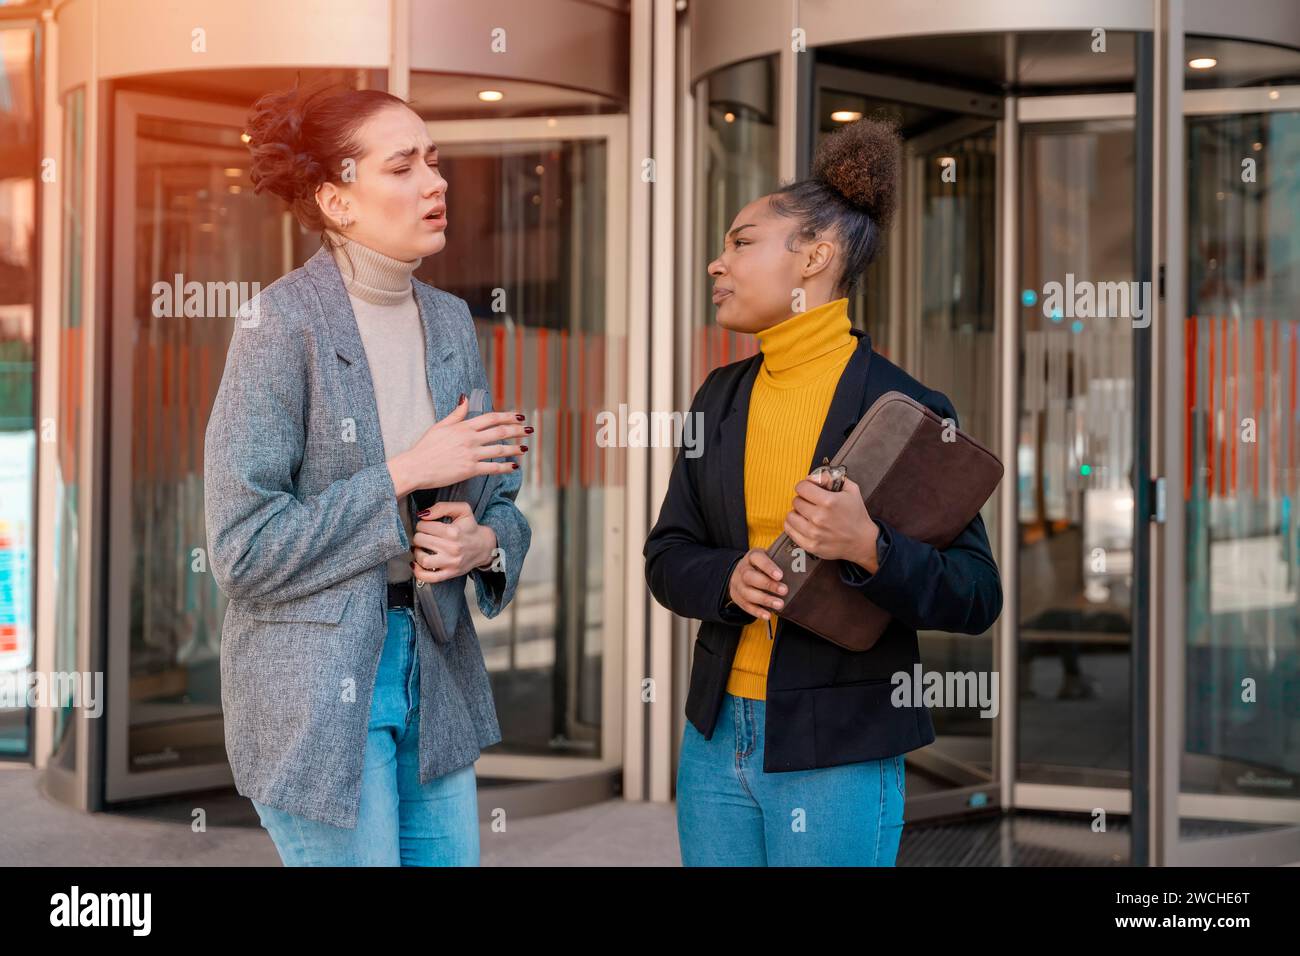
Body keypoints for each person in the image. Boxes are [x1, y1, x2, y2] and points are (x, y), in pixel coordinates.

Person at [644, 117, 1002, 866]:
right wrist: (728, 577)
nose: (718, 263)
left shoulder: (910, 410)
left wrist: (868, 547)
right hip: (715, 735)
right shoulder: (718, 396)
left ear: (816, 256)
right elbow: (666, 554)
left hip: (841, 743)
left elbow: (975, 595)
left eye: (742, 242)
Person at [203, 79, 532, 865]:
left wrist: (483, 543)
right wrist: (405, 473)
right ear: (338, 200)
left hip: (437, 667)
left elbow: (500, 500)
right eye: (403, 166)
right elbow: (242, 550)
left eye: (434, 160)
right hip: (316, 683)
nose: (435, 181)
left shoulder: (450, 320)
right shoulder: (278, 324)